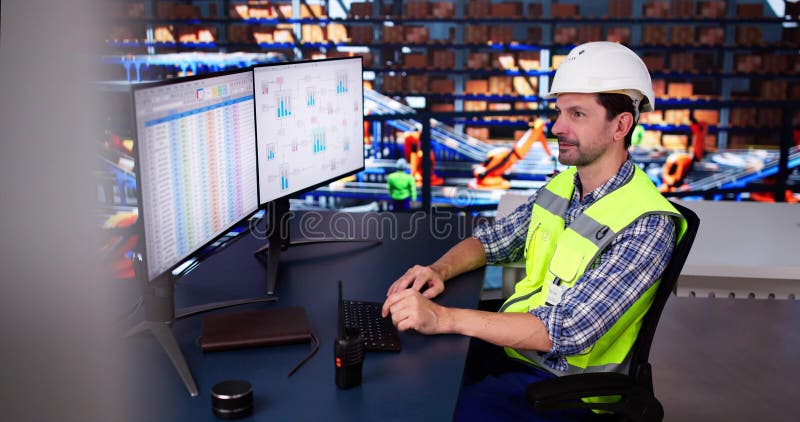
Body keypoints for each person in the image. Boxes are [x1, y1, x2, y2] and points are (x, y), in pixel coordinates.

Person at [381, 41, 688, 420]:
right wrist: (438, 271)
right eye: (560, 111)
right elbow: (492, 241)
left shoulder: (646, 222)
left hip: (566, 390)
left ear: (621, 125)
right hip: (520, 355)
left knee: (430, 407)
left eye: (577, 114)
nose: (558, 126)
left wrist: (443, 318)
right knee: (405, 374)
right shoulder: (562, 188)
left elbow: (567, 331)